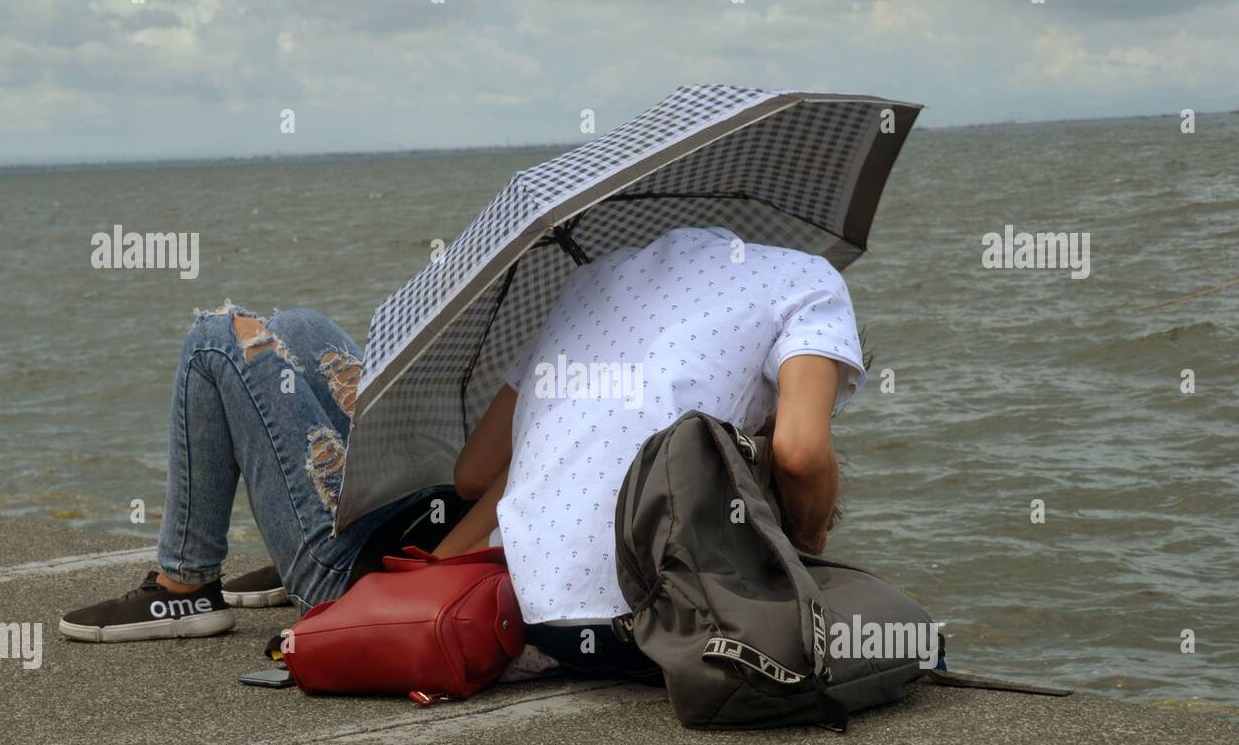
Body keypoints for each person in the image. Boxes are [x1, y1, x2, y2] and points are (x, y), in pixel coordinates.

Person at [61, 226, 865, 657]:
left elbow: (475, 469)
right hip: (442, 553)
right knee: (301, 329)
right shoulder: (803, 284)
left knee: (215, 339)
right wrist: (810, 548)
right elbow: (798, 453)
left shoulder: (597, 281)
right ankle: (319, 526)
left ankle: (183, 586)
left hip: (381, 594)